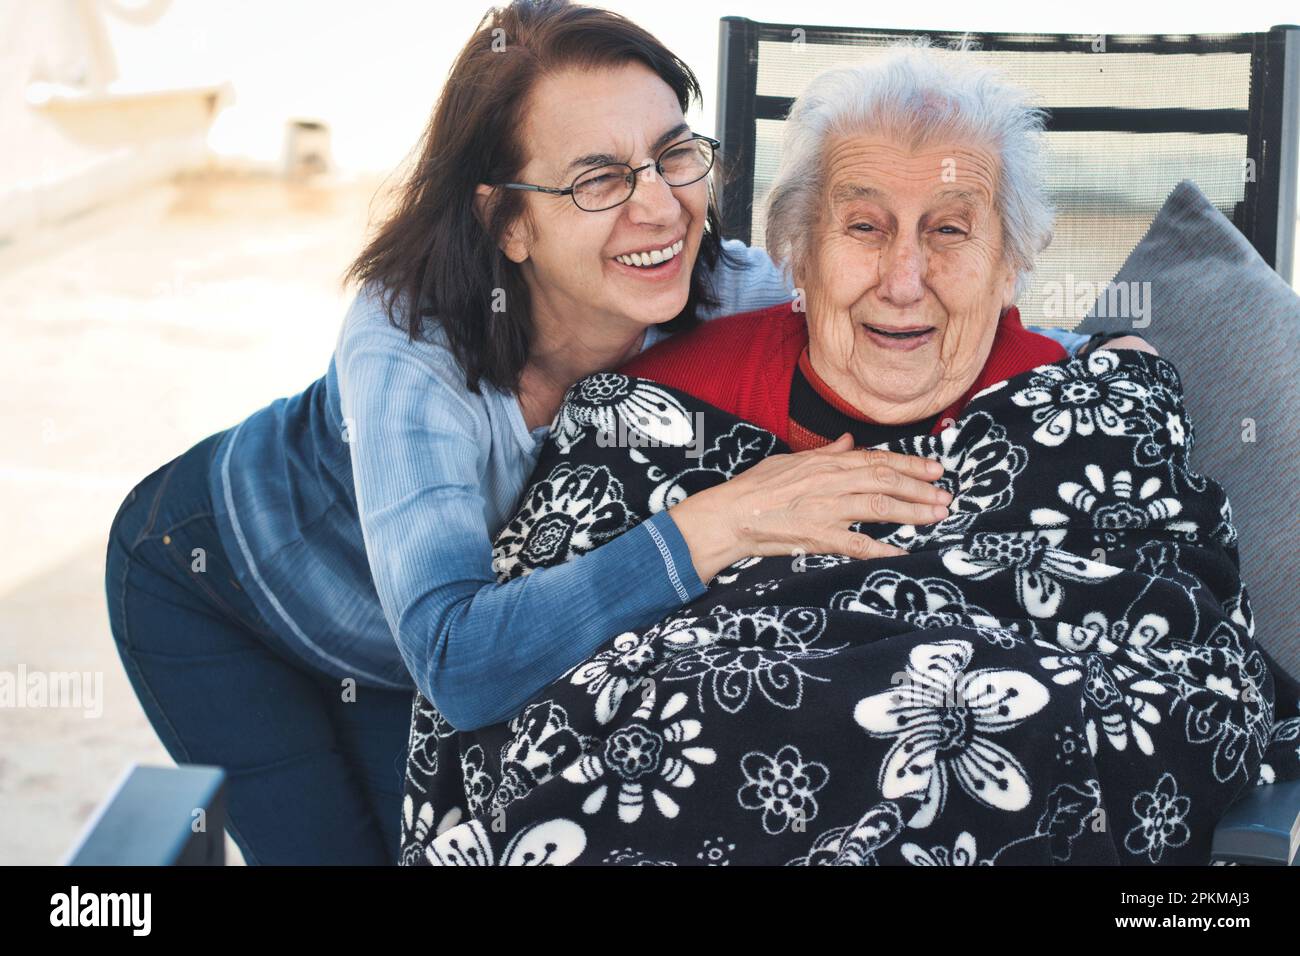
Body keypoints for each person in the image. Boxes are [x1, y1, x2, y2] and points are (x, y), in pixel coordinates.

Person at [103, 0, 954, 866]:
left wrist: (1090, 345)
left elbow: (914, 313)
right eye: (598, 180)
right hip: (220, 586)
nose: (660, 208)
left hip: (428, 657)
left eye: (673, 154)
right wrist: (723, 522)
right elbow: (460, 661)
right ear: (504, 220)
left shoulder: (728, 291)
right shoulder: (408, 346)